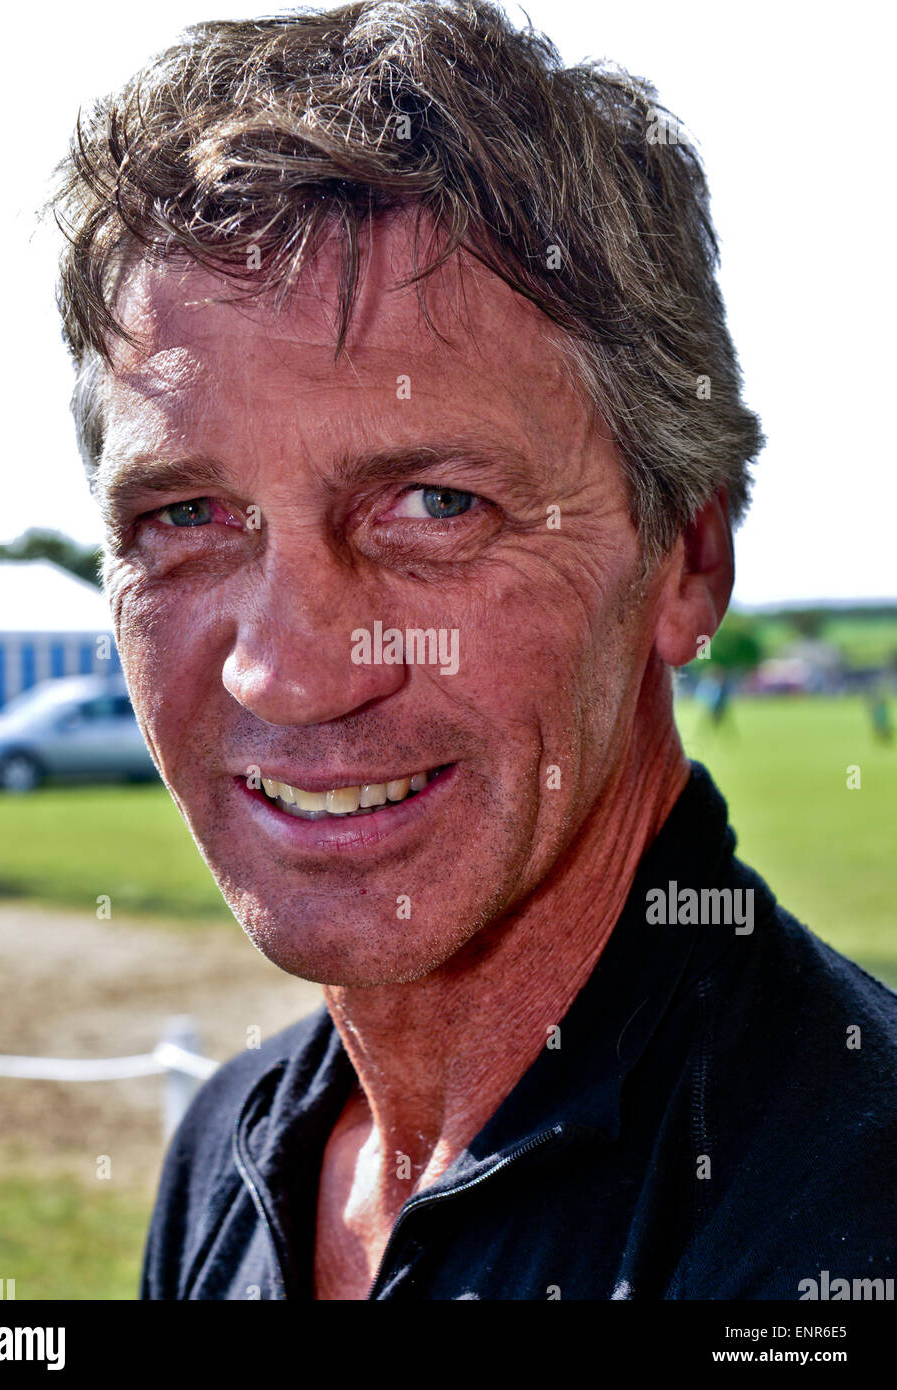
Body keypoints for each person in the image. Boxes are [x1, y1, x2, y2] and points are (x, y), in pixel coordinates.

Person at [50, 0, 897, 1299]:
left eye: (436, 505)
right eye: (187, 516)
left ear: (689, 559)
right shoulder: (229, 1150)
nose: (286, 671)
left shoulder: (849, 1207)